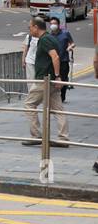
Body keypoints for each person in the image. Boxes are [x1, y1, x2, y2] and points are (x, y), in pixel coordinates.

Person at [23, 16, 66, 145]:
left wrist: (57, 76)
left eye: (30, 27)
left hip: (45, 80)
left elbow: (55, 57)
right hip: (51, 80)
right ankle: (63, 138)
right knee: (58, 109)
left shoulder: (45, 39)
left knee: (29, 104)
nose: (29, 30)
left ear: (36, 27)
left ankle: (36, 135)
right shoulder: (50, 38)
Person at [48, 15, 75, 103]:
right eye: (51, 23)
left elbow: (73, 43)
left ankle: (62, 96)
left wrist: (70, 47)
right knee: (53, 78)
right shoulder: (49, 36)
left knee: (63, 79)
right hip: (52, 61)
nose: (53, 25)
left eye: (54, 23)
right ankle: (54, 96)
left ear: (59, 25)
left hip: (63, 60)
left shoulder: (65, 33)